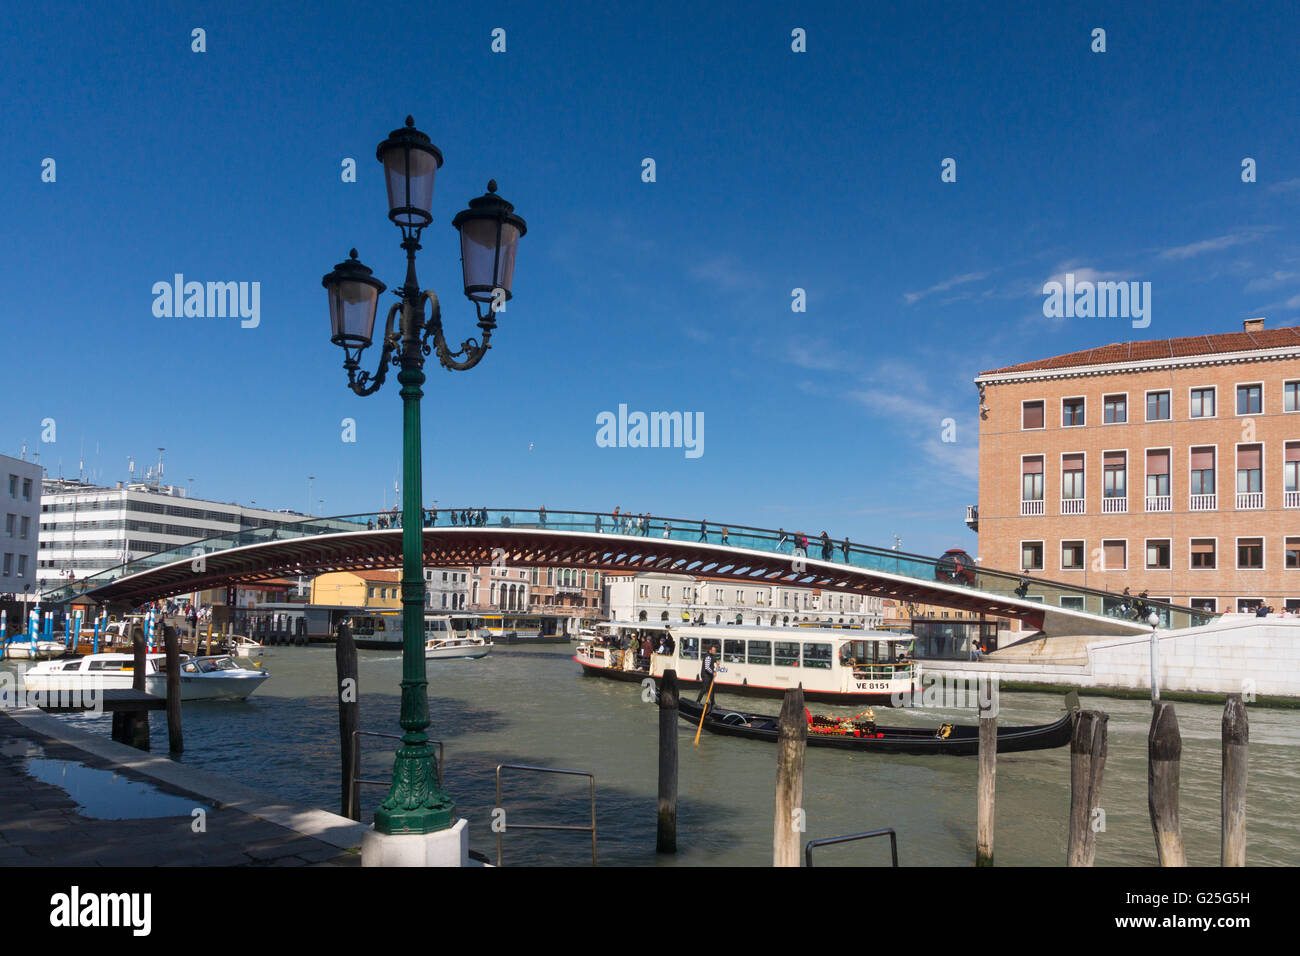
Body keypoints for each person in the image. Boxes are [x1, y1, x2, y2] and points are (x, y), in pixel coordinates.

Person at [697, 643, 720, 708]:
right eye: (714, 650)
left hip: (709, 675)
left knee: (712, 689)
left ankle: (713, 704)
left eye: (715, 650)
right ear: (710, 651)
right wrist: (713, 673)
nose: (715, 652)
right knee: (704, 689)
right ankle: (698, 701)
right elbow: (707, 667)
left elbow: (713, 659)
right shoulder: (707, 657)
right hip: (705, 675)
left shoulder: (711, 656)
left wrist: (716, 661)